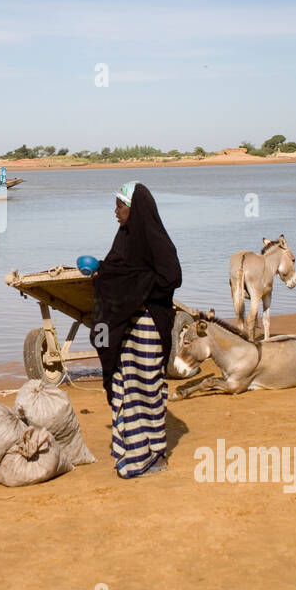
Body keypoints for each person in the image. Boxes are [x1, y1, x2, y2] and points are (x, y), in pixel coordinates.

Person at [91, 181, 182, 479]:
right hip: (125, 329)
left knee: (148, 387)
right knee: (123, 383)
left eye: (120, 205)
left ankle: (154, 453)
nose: (115, 211)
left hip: (149, 328)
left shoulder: (157, 242)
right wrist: (101, 273)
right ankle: (129, 449)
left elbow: (170, 278)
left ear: (136, 208)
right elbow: (114, 273)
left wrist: (134, 285)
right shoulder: (123, 240)